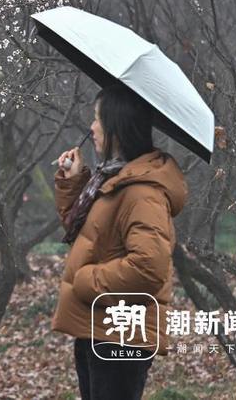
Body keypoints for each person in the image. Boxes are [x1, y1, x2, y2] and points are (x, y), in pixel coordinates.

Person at [50, 82, 188, 400]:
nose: (92, 126)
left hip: (121, 336)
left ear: (117, 126)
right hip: (101, 328)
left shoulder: (142, 192)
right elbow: (91, 236)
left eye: (98, 118)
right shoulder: (116, 177)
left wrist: (86, 280)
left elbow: (149, 267)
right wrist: (75, 184)